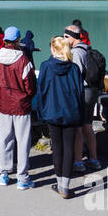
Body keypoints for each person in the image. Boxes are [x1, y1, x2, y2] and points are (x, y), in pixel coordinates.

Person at [36, 37, 87, 198]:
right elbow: (80, 92)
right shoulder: (73, 68)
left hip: (52, 112)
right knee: (69, 148)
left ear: (53, 49)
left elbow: (41, 90)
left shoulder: (46, 66)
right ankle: (65, 186)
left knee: (57, 148)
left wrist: (41, 111)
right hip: (71, 113)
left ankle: (59, 183)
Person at [0, 26, 37, 187]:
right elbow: (30, 86)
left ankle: (3, 173)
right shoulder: (23, 60)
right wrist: (26, 97)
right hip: (21, 105)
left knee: (4, 138)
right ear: (18, 40)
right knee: (23, 140)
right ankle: (22, 177)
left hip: (2, 103)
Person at [63, 26, 102, 172]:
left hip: (82, 92)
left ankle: (78, 162)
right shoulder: (87, 48)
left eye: (66, 36)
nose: (64, 39)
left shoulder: (77, 52)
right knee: (88, 126)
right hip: (91, 91)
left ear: (72, 37)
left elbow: (76, 75)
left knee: (79, 127)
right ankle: (94, 159)